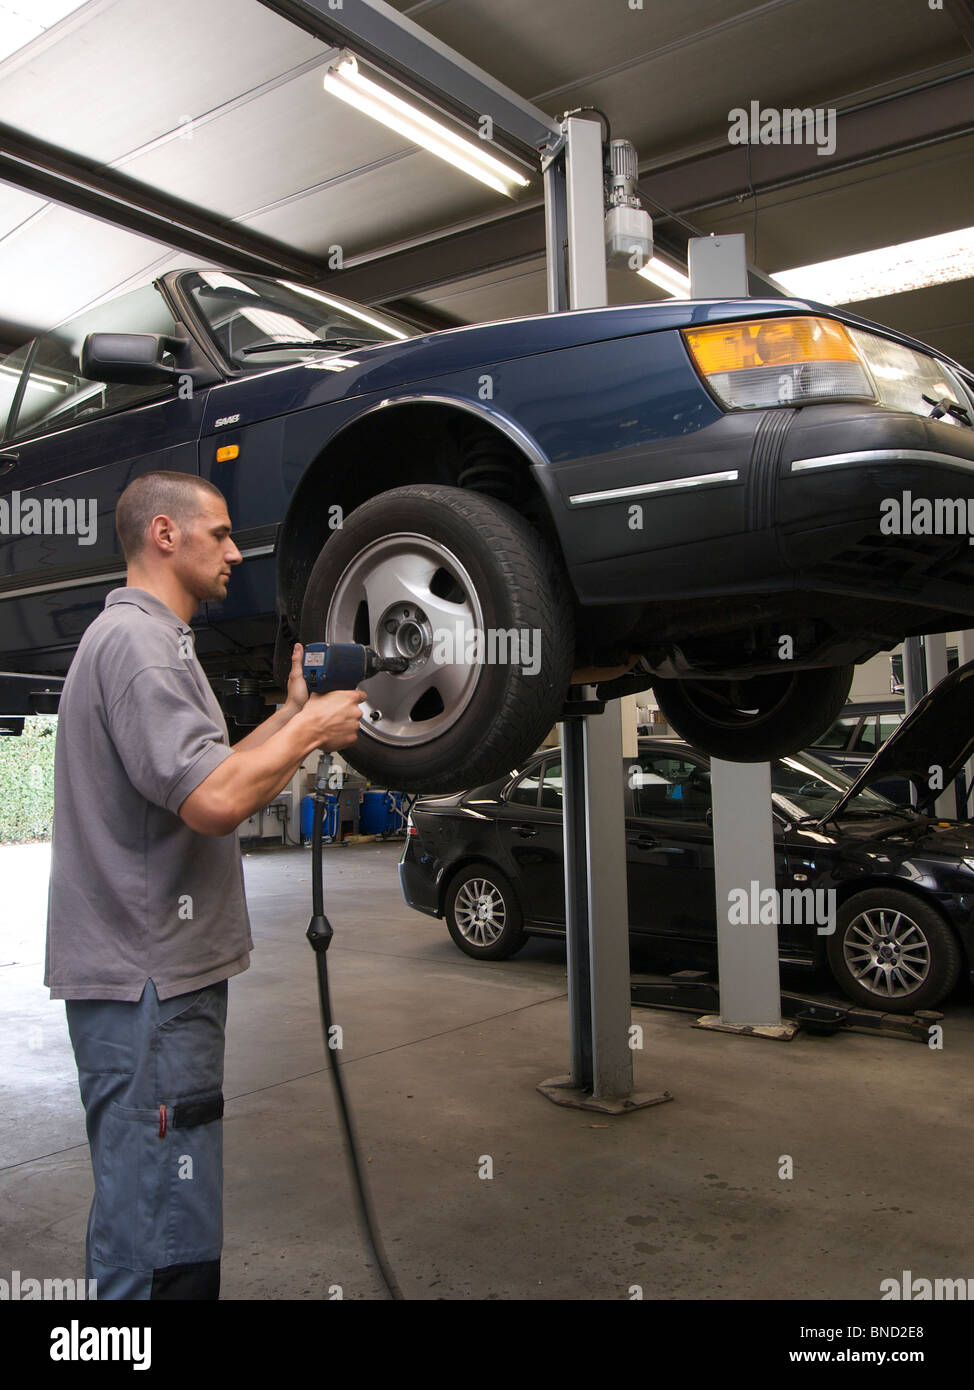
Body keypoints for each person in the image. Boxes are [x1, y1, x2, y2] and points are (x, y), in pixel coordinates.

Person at [45, 469, 365, 1300]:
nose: (235, 550)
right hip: (148, 984)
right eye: (219, 534)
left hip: (149, 981)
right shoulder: (143, 648)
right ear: (163, 535)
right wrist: (312, 736)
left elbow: (208, 768)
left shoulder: (141, 642)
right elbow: (216, 800)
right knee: (158, 1235)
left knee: (156, 1211)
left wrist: (294, 714)